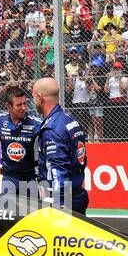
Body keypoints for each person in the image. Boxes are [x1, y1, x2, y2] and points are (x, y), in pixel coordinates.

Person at [32, 76, 89, 213]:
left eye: (33, 96)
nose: (33, 101)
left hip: (62, 199)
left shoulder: (52, 128)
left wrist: (61, 204)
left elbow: (58, 170)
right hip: (78, 192)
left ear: (40, 98)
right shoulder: (69, 119)